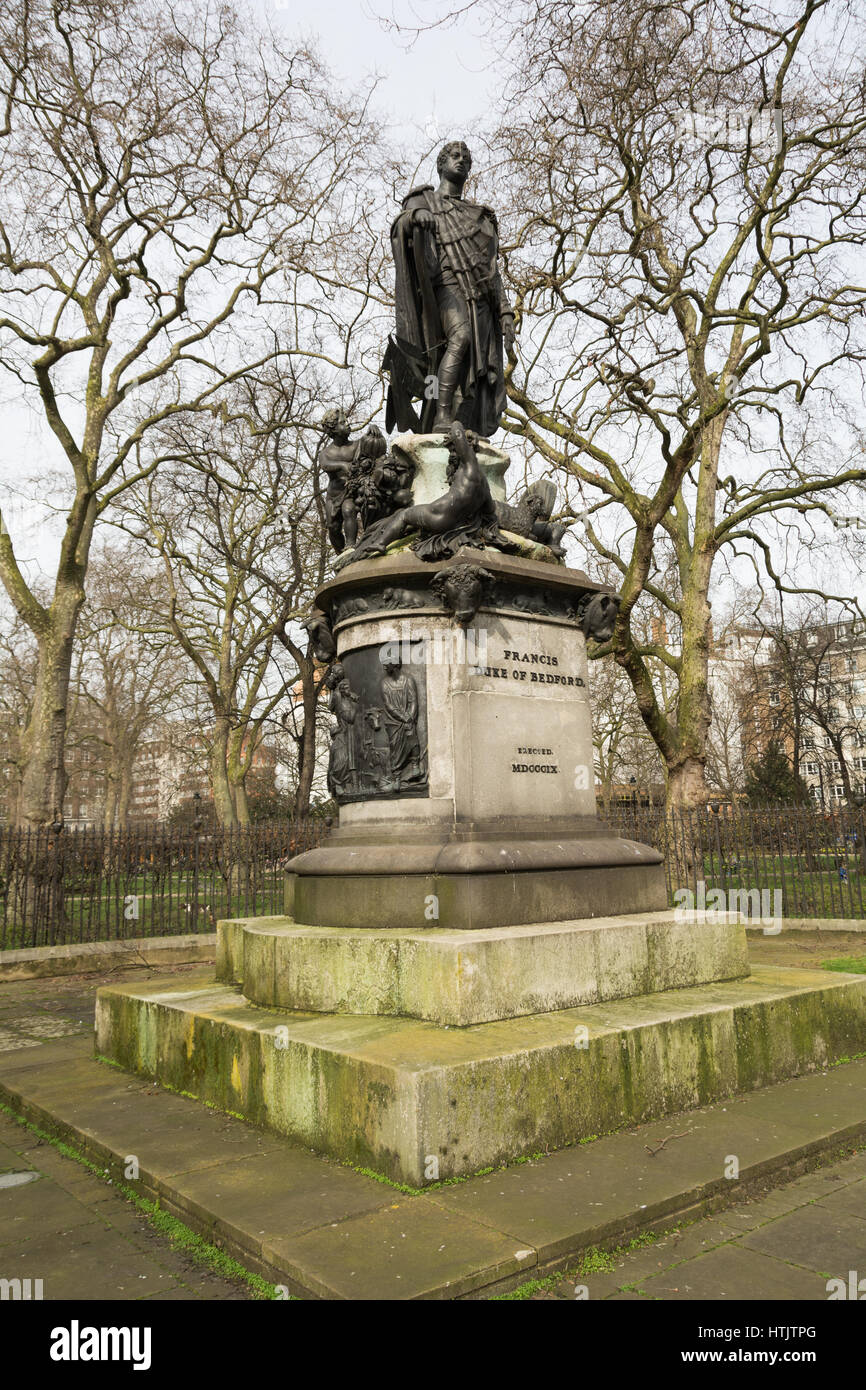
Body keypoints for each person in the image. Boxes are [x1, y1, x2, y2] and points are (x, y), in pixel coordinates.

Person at [384, 141, 516, 437]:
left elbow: (493, 271)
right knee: (462, 336)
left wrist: (505, 311)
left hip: (480, 297)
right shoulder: (424, 201)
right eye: (455, 156)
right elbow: (400, 226)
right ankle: (441, 413)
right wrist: (415, 218)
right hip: (444, 284)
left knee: (476, 370)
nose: (461, 161)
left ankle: (462, 419)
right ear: (441, 164)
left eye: (466, 159)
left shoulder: (480, 215)